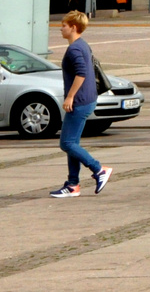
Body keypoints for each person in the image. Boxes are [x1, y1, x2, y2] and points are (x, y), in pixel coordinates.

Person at [50, 11, 111, 197]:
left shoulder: (75, 49)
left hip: (80, 101)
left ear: (73, 28)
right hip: (87, 99)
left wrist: (69, 97)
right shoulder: (83, 45)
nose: (61, 28)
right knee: (72, 143)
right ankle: (73, 185)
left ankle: (98, 169)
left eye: (64, 25)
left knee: (66, 143)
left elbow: (81, 74)